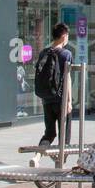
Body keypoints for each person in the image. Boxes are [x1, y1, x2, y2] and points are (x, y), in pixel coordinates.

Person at [35, 22, 73, 150]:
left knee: (49, 133)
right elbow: (67, 78)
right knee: (65, 135)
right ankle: (61, 160)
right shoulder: (66, 54)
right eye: (67, 35)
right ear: (63, 36)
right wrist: (69, 101)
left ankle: (38, 155)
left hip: (46, 99)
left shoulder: (43, 53)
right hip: (61, 100)